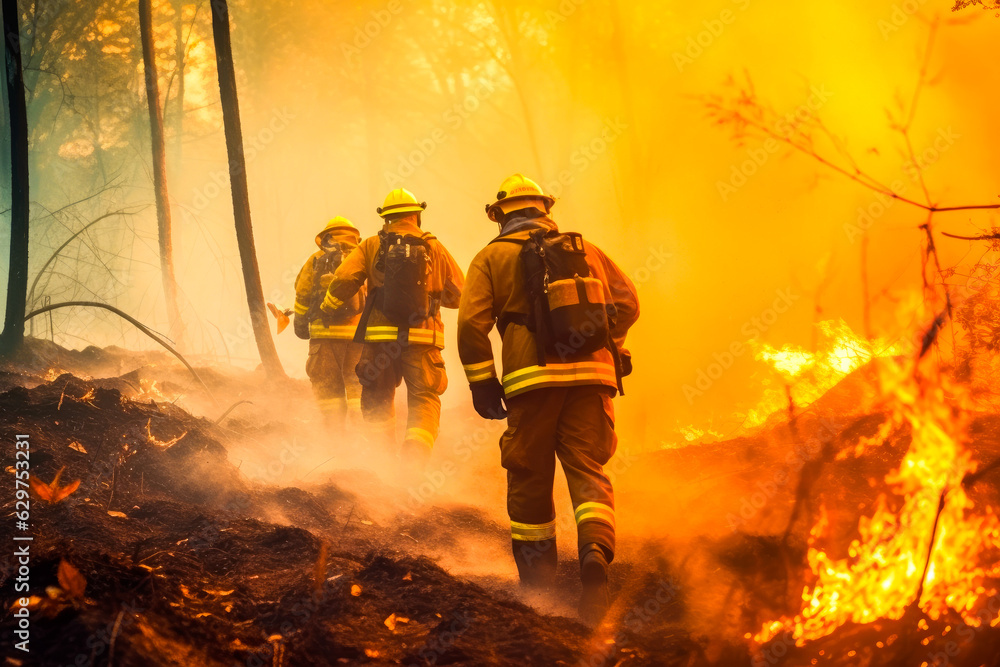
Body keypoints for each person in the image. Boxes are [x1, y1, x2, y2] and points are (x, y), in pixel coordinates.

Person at [456, 173, 639, 624]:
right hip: (594, 377)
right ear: (544, 209)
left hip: (532, 380)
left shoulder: (491, 256)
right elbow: (630, 302)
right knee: (588, 467)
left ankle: (538, 586)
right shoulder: (586, 249)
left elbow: (470, 325)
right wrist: (611, 341)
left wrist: (482, 382)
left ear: (500, 215)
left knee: (529, 473)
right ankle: (595, 549)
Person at [320, 188, 465, 471]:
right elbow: (460, 293)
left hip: (380, 340)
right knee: (424, 398)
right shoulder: (434, 246)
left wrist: (328, 305)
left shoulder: (372, 244)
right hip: (424, 339)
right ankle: (413, 463)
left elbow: (344, 280)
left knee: (377, 396)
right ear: (417, 215)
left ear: (385, 218)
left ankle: (383, 466)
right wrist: (432, 298)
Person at [293, 217, 365, 432]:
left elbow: (302, 292)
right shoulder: (363, 258)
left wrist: (300, 323)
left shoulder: (316, 259)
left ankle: (336, 441)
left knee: (328, 392)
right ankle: (363, 438)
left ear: (326, 236)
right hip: (357, 338)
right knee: (358, 388)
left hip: (323, 336)